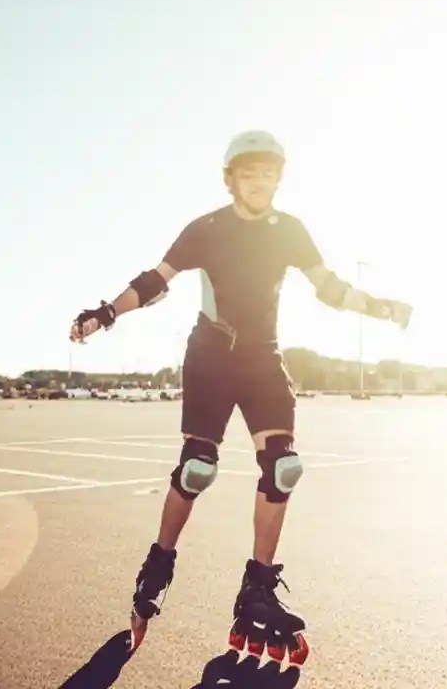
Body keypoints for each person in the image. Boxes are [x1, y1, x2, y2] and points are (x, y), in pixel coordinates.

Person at [69, 130, 412, 665]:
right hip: (211, 355)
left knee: (283, 469)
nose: (261, 182)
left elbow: (328, 287)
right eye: (249, 173)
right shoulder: (207, 229)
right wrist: (106, 313)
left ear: (280, 178)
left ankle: (258, 588)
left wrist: (380, 307)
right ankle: (158, 565)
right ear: (230, 180)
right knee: (197, 470)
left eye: (269, 173)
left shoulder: (290, 230)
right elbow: (156, 281)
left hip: (262, 358)